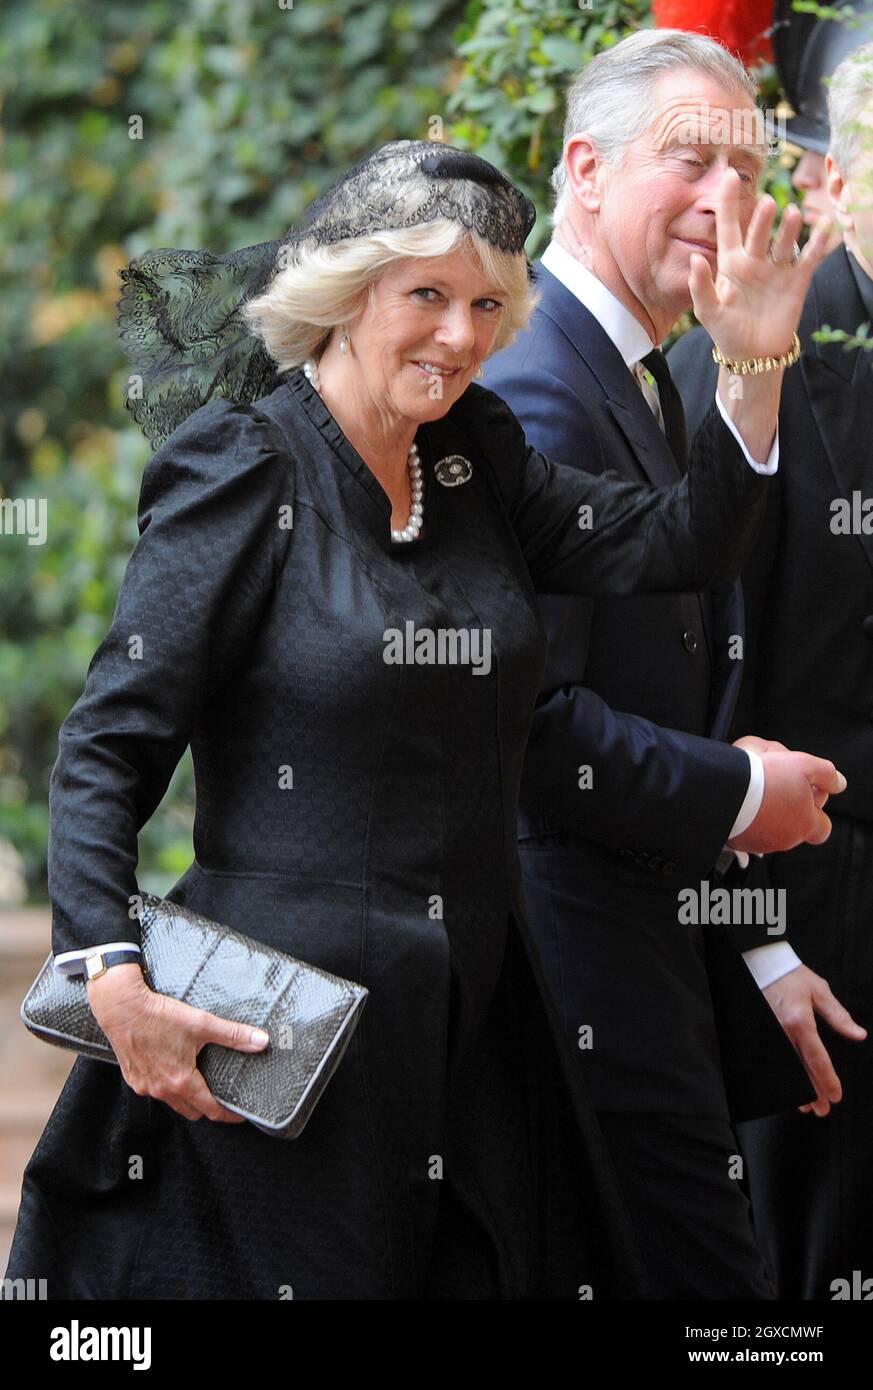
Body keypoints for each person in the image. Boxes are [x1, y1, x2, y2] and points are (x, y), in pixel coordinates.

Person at [3, 139, 834, 1302]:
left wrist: (748, 362)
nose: (459, 334)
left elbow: (677, 540)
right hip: (275, 1041)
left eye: (489, 304)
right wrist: (108, 972)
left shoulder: (478, 461)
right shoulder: (244, 468)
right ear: (348, 295)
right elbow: (111, 741)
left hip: (473, 1030)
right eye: (427, 297)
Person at [482, 28, 848, 1300]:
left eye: (742, 172)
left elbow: (694, 632)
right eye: (685, 161)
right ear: (584, 168)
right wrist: (742, 794)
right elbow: (534, 733)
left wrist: (754, 941)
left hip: (655, 951)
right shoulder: (538, 387)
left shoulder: (636, 372)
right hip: (571, 963)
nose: (720, 200)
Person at [671, 41, 873, 1300]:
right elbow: (698, 698)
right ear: (842, 173)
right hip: (818, 935)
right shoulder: (755, 357)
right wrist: (756, 945)